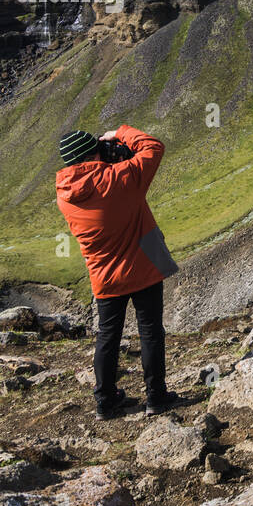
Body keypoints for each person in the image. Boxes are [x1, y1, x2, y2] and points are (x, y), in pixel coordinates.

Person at [56, 125, 183, 420]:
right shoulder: (122, 177)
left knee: (107, 335)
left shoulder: (64, 195)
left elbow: (97, 189)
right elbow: (153, 147)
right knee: (150, 330)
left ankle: (105, 402)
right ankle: (156, 397)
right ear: (92, 155)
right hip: (143, 264)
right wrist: (120, 133)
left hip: (103, 273)